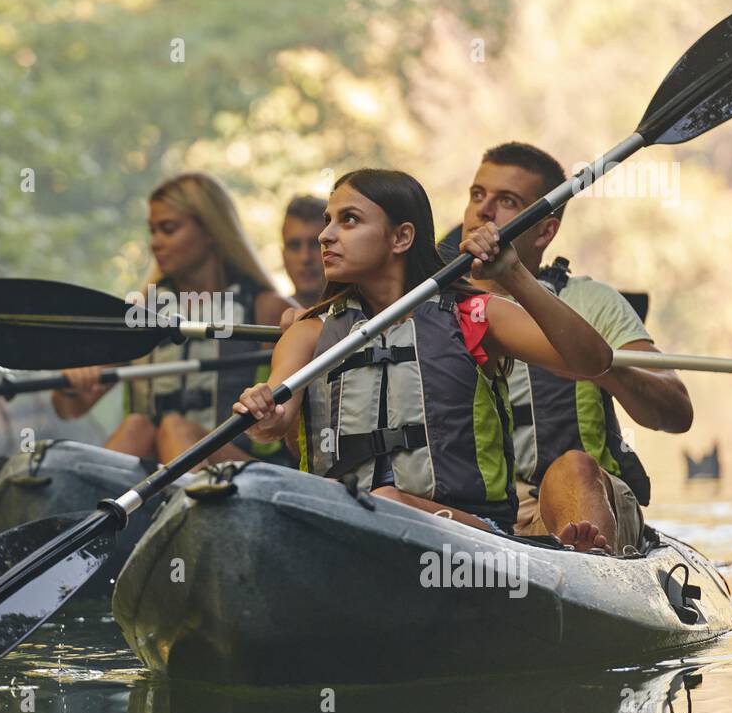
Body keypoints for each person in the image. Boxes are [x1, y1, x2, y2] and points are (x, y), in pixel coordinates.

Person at [234, 168, 614, 550]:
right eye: (328, 220)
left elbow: (592, 361)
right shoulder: (309, 332)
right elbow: (275, 421)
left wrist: (514, 275)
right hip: (341, 526)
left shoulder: (473, 314)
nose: (325, 235)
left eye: (349, 220)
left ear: (401, 237)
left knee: (382, 502)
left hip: (471, 535)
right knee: (349, 502)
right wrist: (264, 412)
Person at [457, 142, 693, 554]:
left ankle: (594, 575)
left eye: (507, 201)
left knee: (571, 469)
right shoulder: (424, 305)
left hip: (572, 503)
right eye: (478, 195)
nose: (484, 212)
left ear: (545, 230)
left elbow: (675, 413)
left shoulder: (591, 302)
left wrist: (594, 362)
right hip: (472, 519)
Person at [52, 172, 296, 467]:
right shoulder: (139, 313)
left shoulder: (266, 308)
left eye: (168, 229)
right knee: (137, 426)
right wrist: (72, 385)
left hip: (241, 471)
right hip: (152, 465)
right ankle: (93, 510)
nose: (155, 243)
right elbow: (68, 408)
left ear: (210, 231)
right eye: (152, 231)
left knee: (174, 428)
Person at [282, 195, 327, 308]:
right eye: (294, 246)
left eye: (316, 244)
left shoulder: (367, 316)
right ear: (283, 254)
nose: (305, 257)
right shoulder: (258, 314)